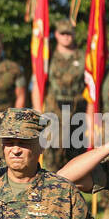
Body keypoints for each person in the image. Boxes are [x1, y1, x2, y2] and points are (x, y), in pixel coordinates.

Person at [42, 18, 86, 170]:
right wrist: (37, 110)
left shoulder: (84, 57)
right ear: (56, 35)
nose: (66, 36)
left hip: (77, 110)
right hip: (53, 110)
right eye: (63, 33)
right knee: (52, 153)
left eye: (69, 33)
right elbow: (38, 83)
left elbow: (92, 87)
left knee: (76, 152)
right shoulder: (48, 56)